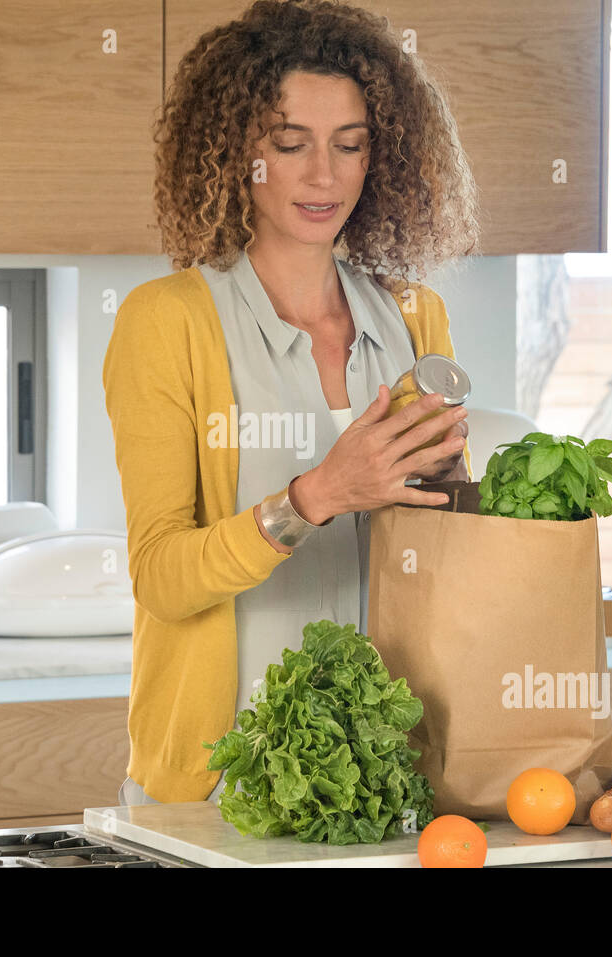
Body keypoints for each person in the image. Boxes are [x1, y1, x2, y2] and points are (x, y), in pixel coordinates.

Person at [103, 0, 480, 807]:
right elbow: (162, 576)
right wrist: (315, 497)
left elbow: (443, 560)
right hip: (217, 789)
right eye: (291, 144)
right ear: (240, 151)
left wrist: (455, 489)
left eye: (351, 144)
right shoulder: (165, 322)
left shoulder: (416, 317)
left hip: (387, 778)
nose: (325, 175)